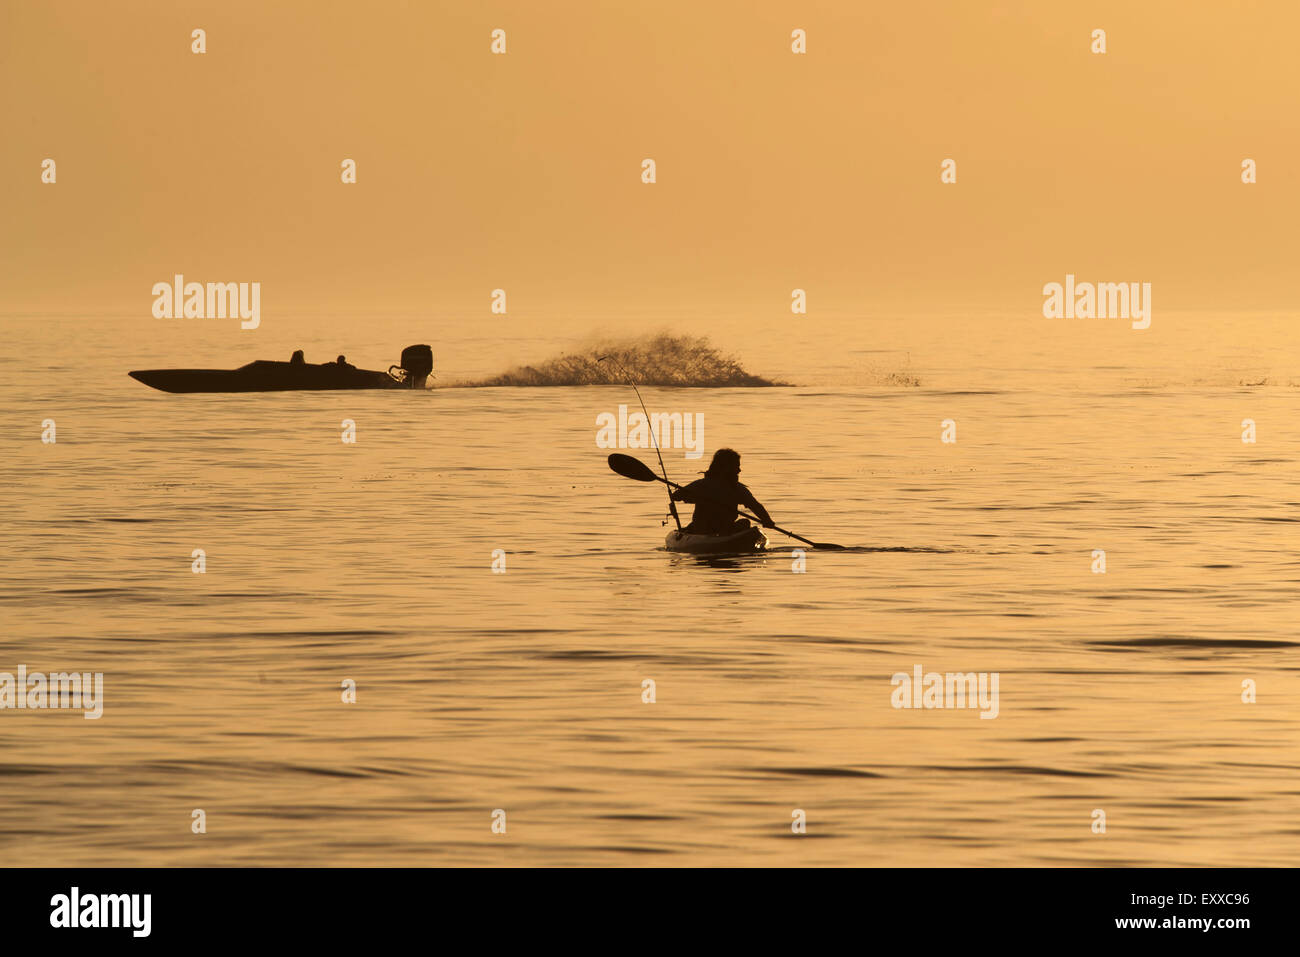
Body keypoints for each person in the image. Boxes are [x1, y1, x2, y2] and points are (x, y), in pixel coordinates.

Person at [671, 448, 774, 536]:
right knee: (745, 523)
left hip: (723, 529)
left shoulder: (703, 485)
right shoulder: (705, 485)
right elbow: (677, 496)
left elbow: (675, 496)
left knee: (744, 523)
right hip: (704, 530)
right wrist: (767, 520)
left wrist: (767, 520)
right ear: (725, 468)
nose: (739, 470)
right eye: (736, 467)